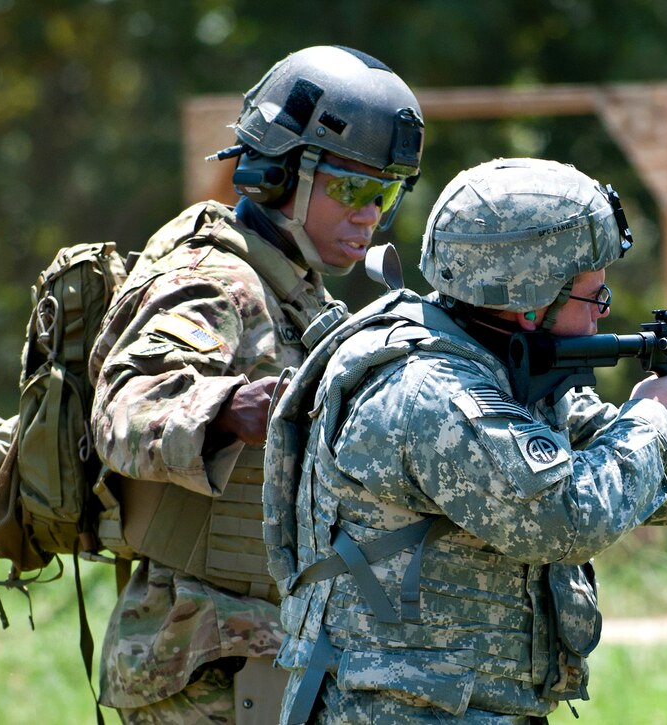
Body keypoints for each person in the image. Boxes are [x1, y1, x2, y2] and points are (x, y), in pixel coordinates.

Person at [267, 157, 667, 724]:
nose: (602, 314)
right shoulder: (430, 392)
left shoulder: (502, 370)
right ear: (530, 302)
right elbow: (564, 515)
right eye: (594, 296)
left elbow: (624, 474)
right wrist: (654, 421)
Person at [87, 45, 424, 723]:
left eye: (384, 195)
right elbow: (123, 410)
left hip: (262, 653)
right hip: (201, 666)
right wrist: (227, 407)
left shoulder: (296, 292)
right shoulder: (214, 280)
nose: (368, 215)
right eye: (352, 189)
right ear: (280, 175)